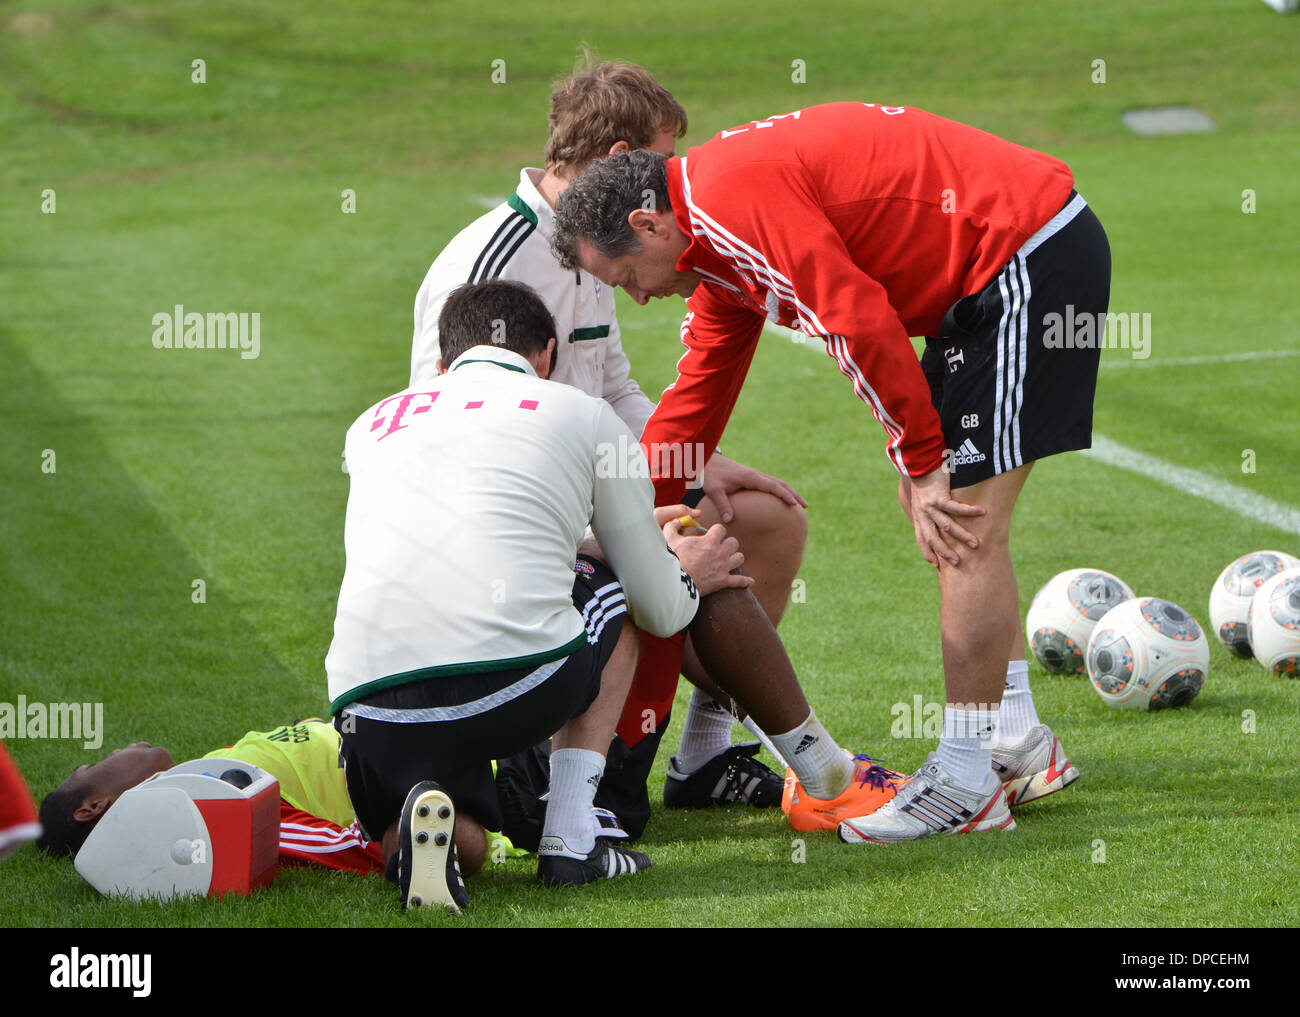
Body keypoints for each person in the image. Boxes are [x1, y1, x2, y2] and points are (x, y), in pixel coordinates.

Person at [552, 100, 1101, 844]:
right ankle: (1015, 740)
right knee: (952, 524)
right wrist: (626, 534)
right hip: (981, 276)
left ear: (649, 226)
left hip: (1023, 251)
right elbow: (693, 406)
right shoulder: (714, 248)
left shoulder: (728, 205)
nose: (639, 296)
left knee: (961, 526)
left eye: (626, 277)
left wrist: (923, 460)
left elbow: (858, 318)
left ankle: (969, 780)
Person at [411, 56, 809, 826]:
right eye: (666, 160)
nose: (678, 179)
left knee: (766, 524)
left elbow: (617, 386)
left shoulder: (595, 233)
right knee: (684, 553)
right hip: (517, 532)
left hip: (600, 492)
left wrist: (696, 456)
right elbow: (450, 444)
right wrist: (614, 538)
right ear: (624, 161)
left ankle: (705, 757)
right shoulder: (491, 263)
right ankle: (573, 788)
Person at [327, 278, 745, 911]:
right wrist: (685, 569)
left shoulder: (370, 424)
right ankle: (571, 841)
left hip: (369, 708)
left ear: (442, 365)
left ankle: (415, 842)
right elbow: (658, 606)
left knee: (464, 842)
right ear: (547, 355)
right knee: (612, 591)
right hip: (508, 688)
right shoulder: (583, 414)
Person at [33, 721, 402, 874]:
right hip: (398, 760)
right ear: (94, 807)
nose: (117, 749)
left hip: (377, 730)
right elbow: (351, 848)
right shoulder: (216, 807)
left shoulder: (202, 773)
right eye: (98, 763)